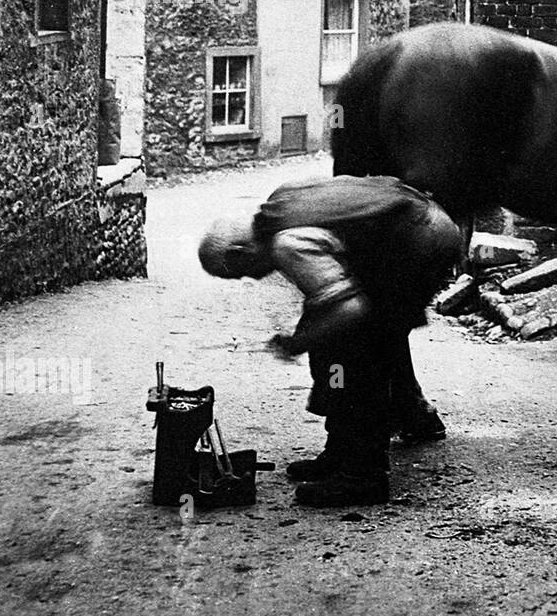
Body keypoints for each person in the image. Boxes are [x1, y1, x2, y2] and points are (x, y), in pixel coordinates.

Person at [198, 175, 463, 507]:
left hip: (421, 240)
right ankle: (342, 451)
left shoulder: (287, 242)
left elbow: (349, 309)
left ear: (239, 253)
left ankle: (363, 477)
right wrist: (310, 338)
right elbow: (330, 295)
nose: (251, 278)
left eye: (240, 273)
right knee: (334, 353)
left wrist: (299, 342)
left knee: (357, 358)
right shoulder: (280, 204)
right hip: (421, 225)